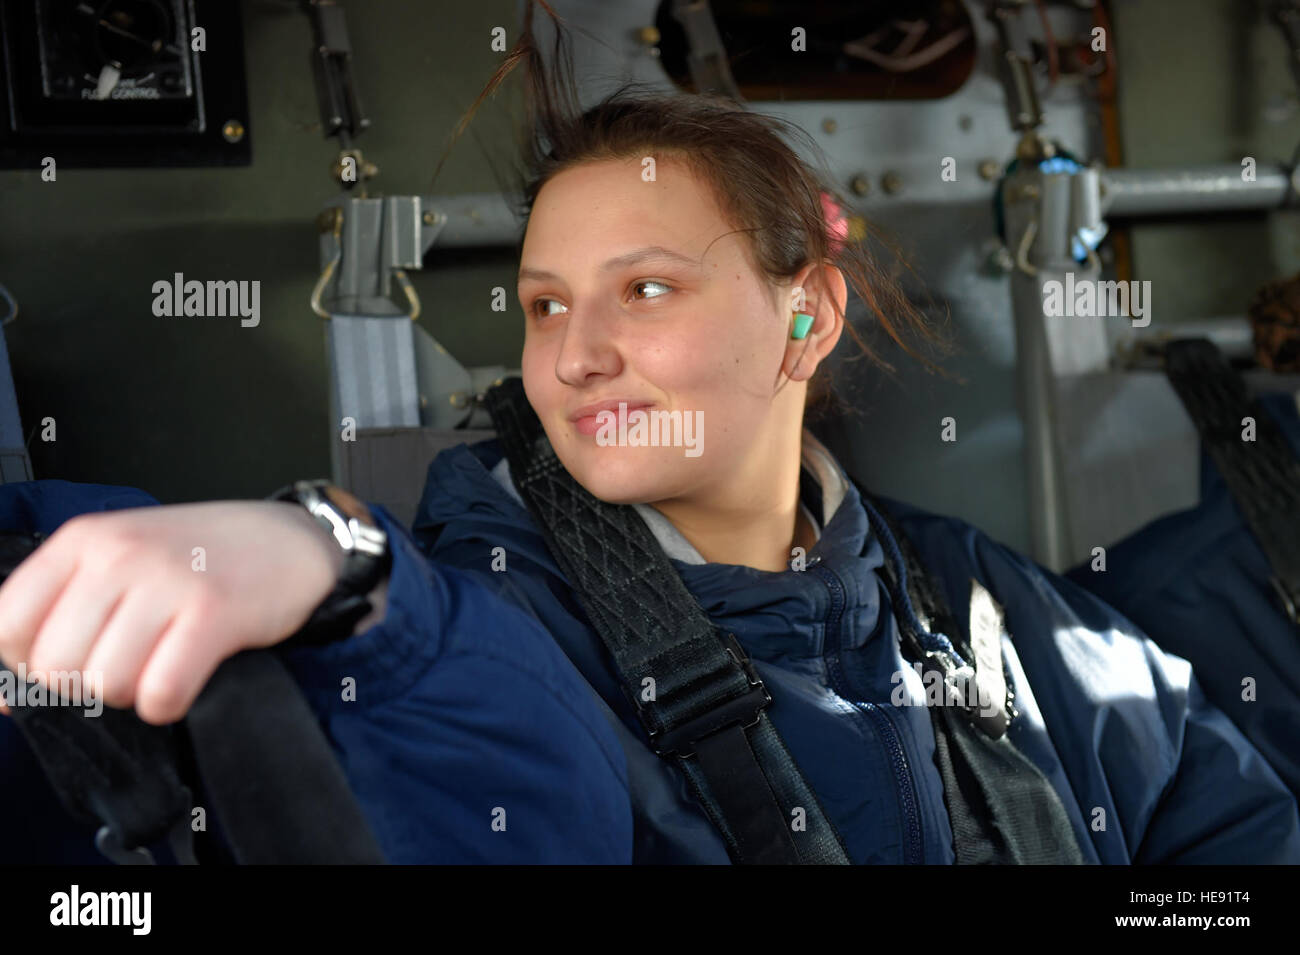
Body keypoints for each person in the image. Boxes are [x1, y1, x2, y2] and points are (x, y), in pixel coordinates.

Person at [2, 0, 1297, 864]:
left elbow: (1226, 837)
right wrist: (322, 554)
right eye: (546, 304)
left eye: (650, 289)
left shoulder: (1012, 619)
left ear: (808, 321)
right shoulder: (468, 619)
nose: (576, 351)